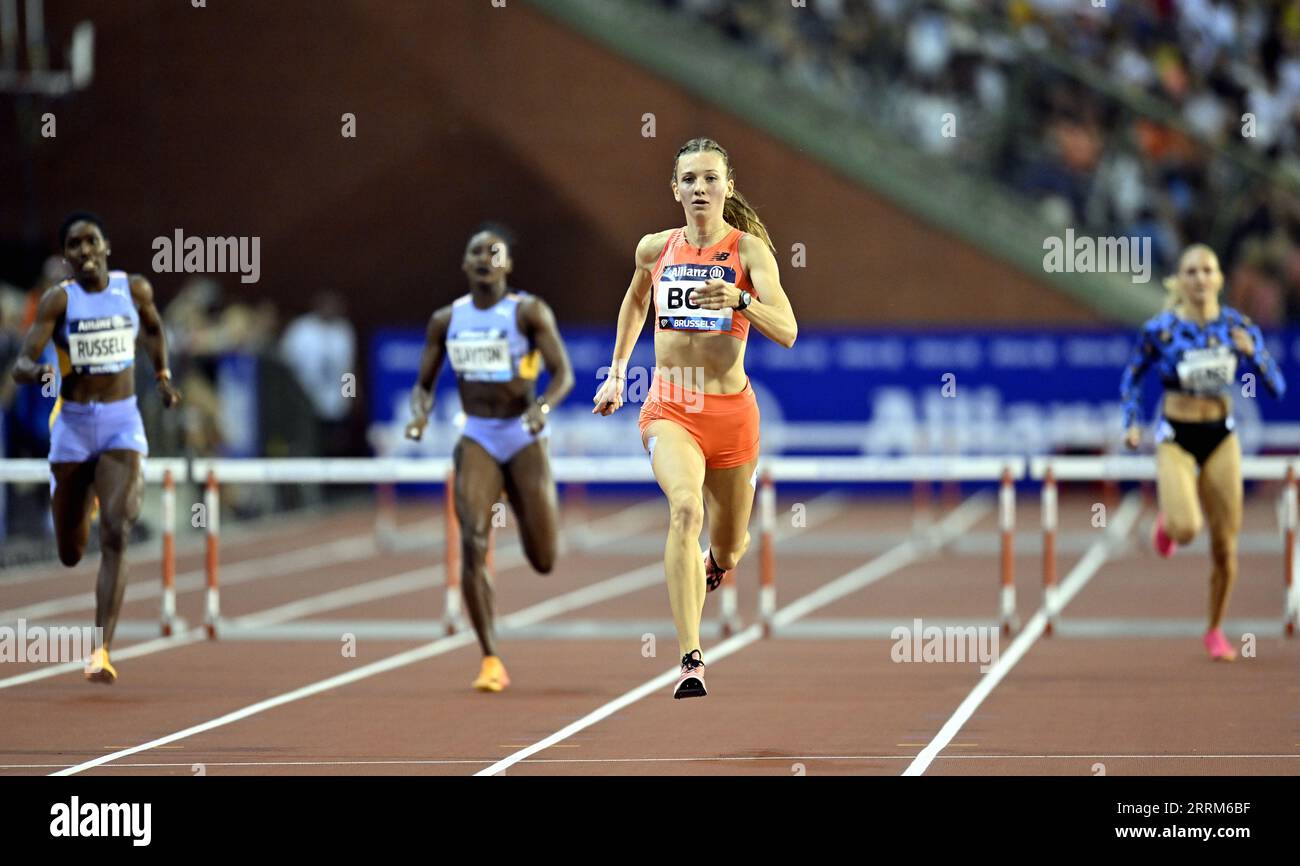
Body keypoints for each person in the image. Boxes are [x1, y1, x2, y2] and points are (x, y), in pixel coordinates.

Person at [592, 138, 798, 698]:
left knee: (730, 547)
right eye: (689, 179)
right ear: (675, 190)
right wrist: (616, 372)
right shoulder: (653, 249)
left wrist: (739, 300)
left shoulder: (750, 252)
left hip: (732, 415)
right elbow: (636, 301)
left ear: (727, 186)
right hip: (670, 406)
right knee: (685, 508)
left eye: (710, 178)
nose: (700, 189)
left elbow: (788, 331)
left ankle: (713, 566)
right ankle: (690, 657)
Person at [10, 212, 182, 683]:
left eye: (91, 242)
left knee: (117, 532)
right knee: (69, 551)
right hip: (73, 426)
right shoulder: (58, 301)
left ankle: (100, 650)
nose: (84, 252)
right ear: (65, 256)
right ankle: (79, 504)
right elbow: (28, 353)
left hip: (121, 423)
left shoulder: (134, 290)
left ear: (106, 246)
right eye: (73, 245)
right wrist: (27, 368)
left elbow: (152, 328)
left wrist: (163, 377)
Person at [405, 223, 573, 693]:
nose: (484, 258)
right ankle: (490, 657)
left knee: (544, 558)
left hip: (521, 435)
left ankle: (527, 514)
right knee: (473, 541)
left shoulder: (528, 312)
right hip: (477, 434)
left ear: (507, 265)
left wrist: (542, 408)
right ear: (464, 264)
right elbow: (423, 384)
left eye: (493, 251)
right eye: (475, 251)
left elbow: (563, 374)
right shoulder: (446, 320)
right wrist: (420, 416)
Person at [1121, 243, 1286, 661]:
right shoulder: (1160, 329)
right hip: (1176, 436)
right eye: (1191, 271)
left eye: (1206, 270)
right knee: (1187, 528)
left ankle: (1214, 628)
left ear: (1219, 279)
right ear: (1181, 279)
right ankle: (1168, 525)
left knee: (1226, 548)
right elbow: (1132, 378)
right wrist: (1130, 423)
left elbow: (1278, 387)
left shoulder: (1237, 326)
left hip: (1221, 437)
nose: (1199, 278)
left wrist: (1255, 354)